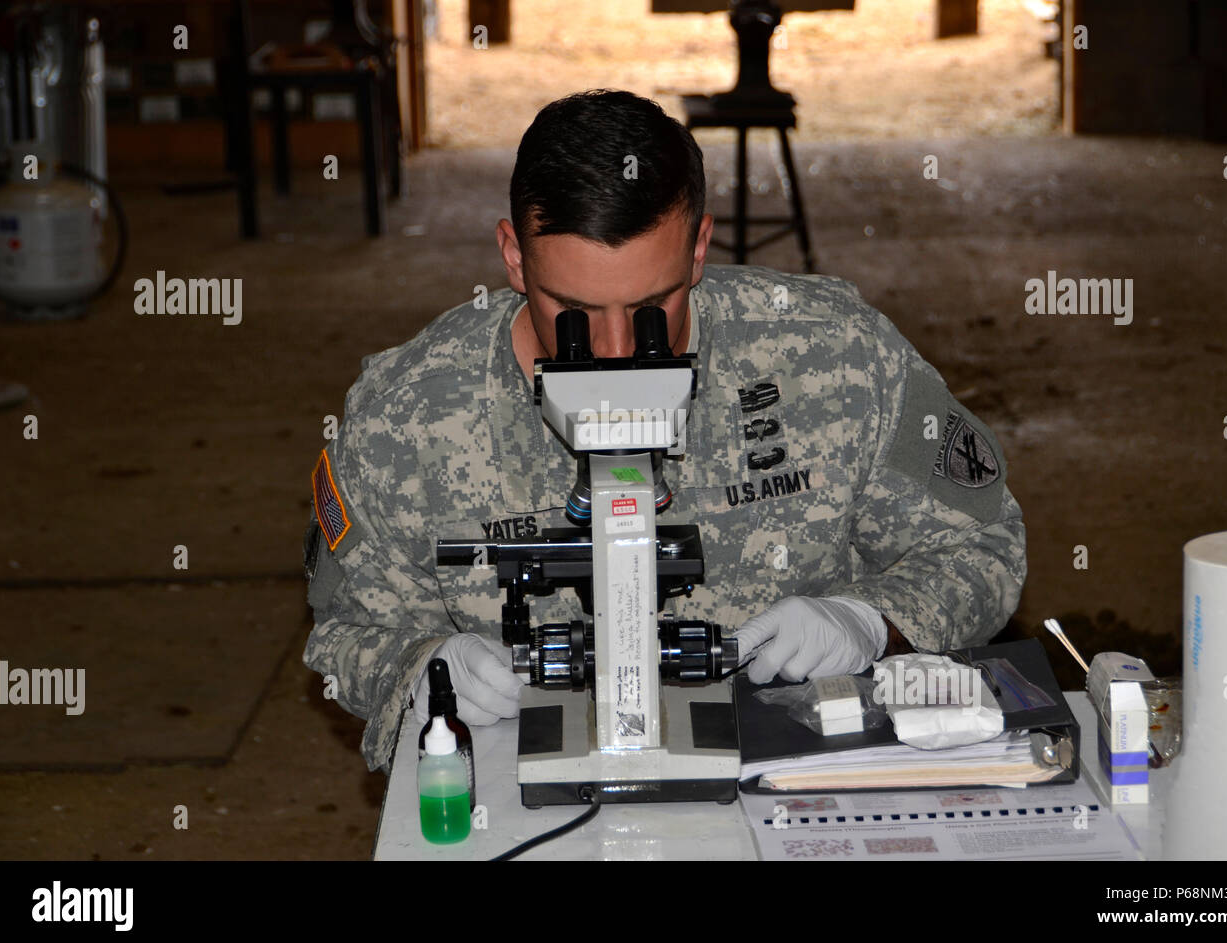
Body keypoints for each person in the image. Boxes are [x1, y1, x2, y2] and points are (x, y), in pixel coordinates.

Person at [303, 89, 1026, 772]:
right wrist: (424, 670)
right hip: (515, 790)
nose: (617, 349)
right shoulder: (406, 415)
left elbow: (983, 544)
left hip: (794, 769)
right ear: (515, 257)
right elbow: (344, 637)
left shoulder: (835, 356)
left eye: (653, 305)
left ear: (700, 248)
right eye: (576, 313)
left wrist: (874, 621)